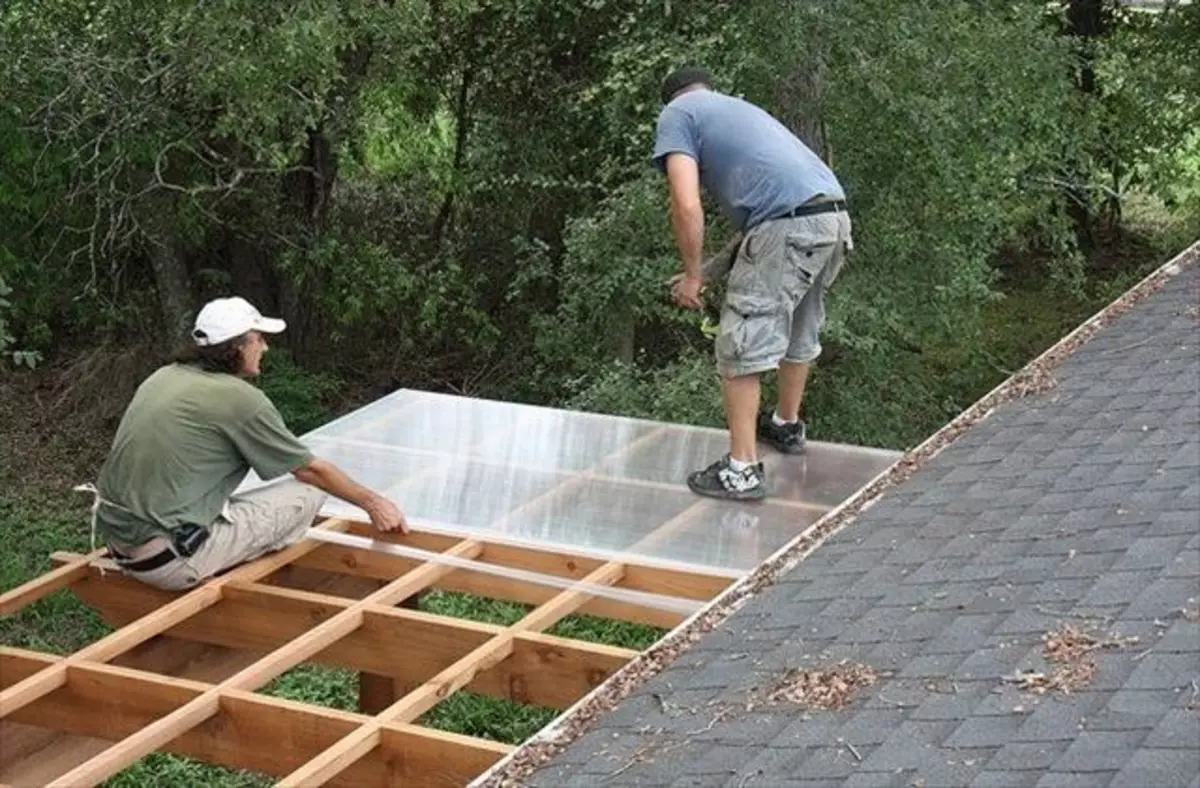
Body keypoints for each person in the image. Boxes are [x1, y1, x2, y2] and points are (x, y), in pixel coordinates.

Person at [82, 296, 408, 591]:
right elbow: (311, 472)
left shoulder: (163, 376)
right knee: (309, 493)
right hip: (169, 562)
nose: (264, 348)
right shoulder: (241, 400)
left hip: (119, 546)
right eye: (259, 339)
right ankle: (228, 564)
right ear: (237, 346)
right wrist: (374, 504)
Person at [653, 66, 853, 501]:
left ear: (672, 99)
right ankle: (785, 425)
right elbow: (764, 225)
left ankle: (741, 470)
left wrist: (690, 276)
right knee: (800, 324)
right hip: (833, 218)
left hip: (788, 225)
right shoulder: (738, 111)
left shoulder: (678, 114)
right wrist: (708, 271)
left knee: (741, 341)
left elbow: (686, 204)